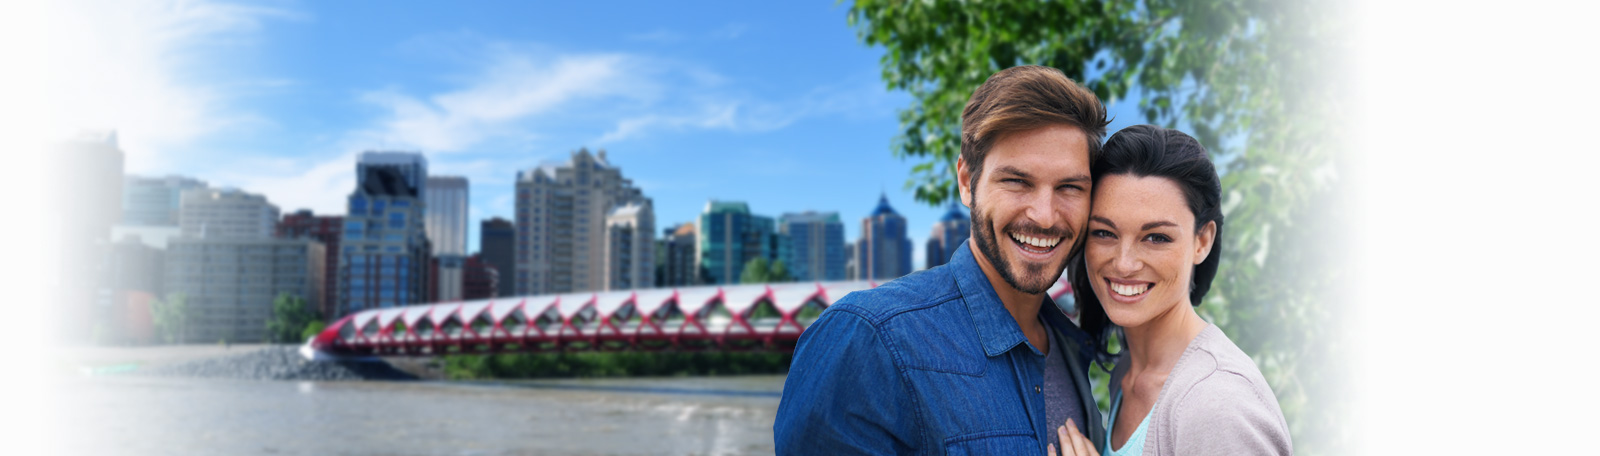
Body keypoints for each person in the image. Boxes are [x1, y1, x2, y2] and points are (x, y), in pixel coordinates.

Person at [774, 65, 1110, 454]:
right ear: (967, 182)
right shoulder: (869, 340)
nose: (1044, 215)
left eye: (1070, 187)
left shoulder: (1072, 347)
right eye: (1017, 181)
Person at [1048, 125, 1292, 456]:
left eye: (1156, 237)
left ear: (1202, 241)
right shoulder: (1129, 373)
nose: (1124, 263)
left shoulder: (1217, 406)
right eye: (1105, 233)